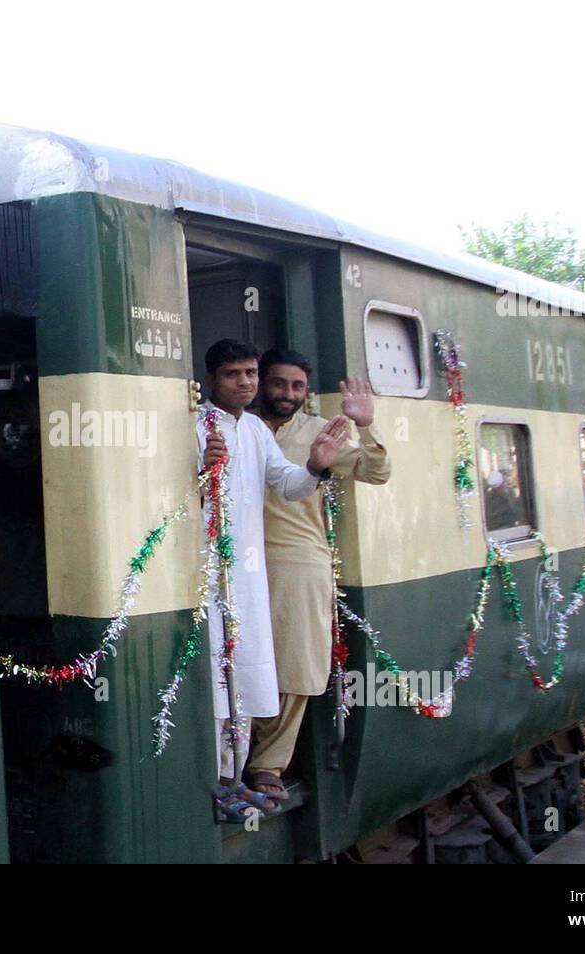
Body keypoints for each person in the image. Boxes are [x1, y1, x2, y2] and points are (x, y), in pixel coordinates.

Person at [197, 339, 350, 821]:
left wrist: (316, 466)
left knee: (246, 668)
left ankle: (236, 776)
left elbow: (288, 484)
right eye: (233, 375)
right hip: (206, 573)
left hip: (248, 573)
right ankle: (215, 778)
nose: (244, 382)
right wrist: (202, 470)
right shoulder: (196, 425)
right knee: (216, 675)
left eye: (249, 373)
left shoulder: (255, 432)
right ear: (213, 379)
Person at [243, 349, 390, 801]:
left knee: (295, 660)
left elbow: (377, 472)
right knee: (237, 655)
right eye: (279, 383)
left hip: (296, 558)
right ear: (261, 382)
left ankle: (268, 764)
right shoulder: (237, 426)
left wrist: (366, 424)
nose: (287, 394)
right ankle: (229, 758)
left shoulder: (319, 432)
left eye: (297, 386)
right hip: (234, 557)